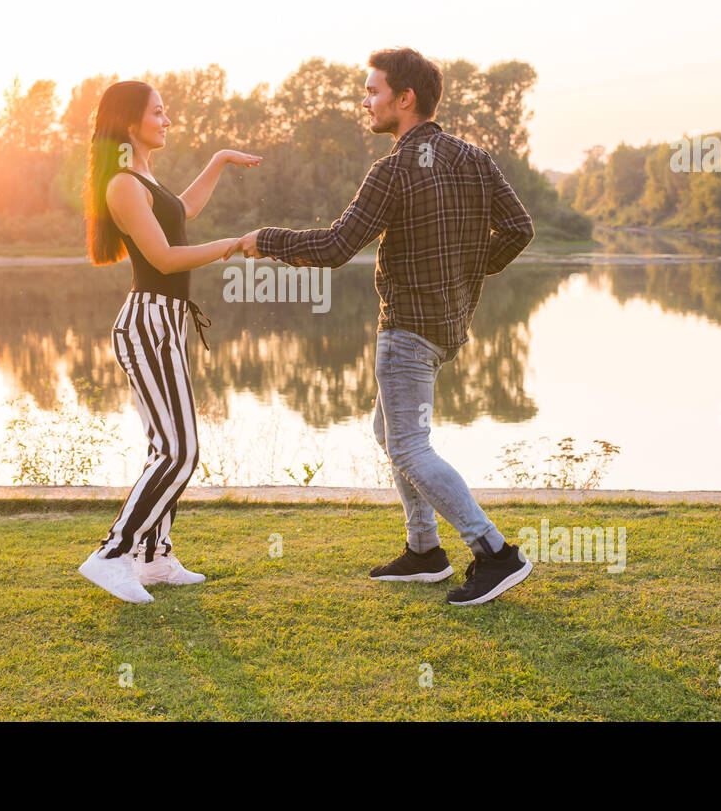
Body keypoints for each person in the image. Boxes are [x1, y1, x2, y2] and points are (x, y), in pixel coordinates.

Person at [238, 47, 536, 606]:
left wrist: (266, 240)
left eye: (373, 92)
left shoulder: (395, 169)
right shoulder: (475, 158)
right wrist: (469, 270)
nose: (365, 102)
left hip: (407, 332)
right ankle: (424, 550)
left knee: (409, 446)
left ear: (405, 98)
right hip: (445, 328)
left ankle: (495, 553)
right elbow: (520, 229)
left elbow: (333, 246)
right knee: (391, 434)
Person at [79, 79, 260, 604]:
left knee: (167, 446)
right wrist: (232, 245)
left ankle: (155, 558)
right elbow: (163, 258)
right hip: (148, 323)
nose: (167, 120)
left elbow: (183, 211)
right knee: (180, 451)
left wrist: (220, 160)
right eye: (159, 113)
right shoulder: (121, 185)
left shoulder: (142, 178)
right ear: (131, 122)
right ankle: (114, 554)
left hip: (167, 322)